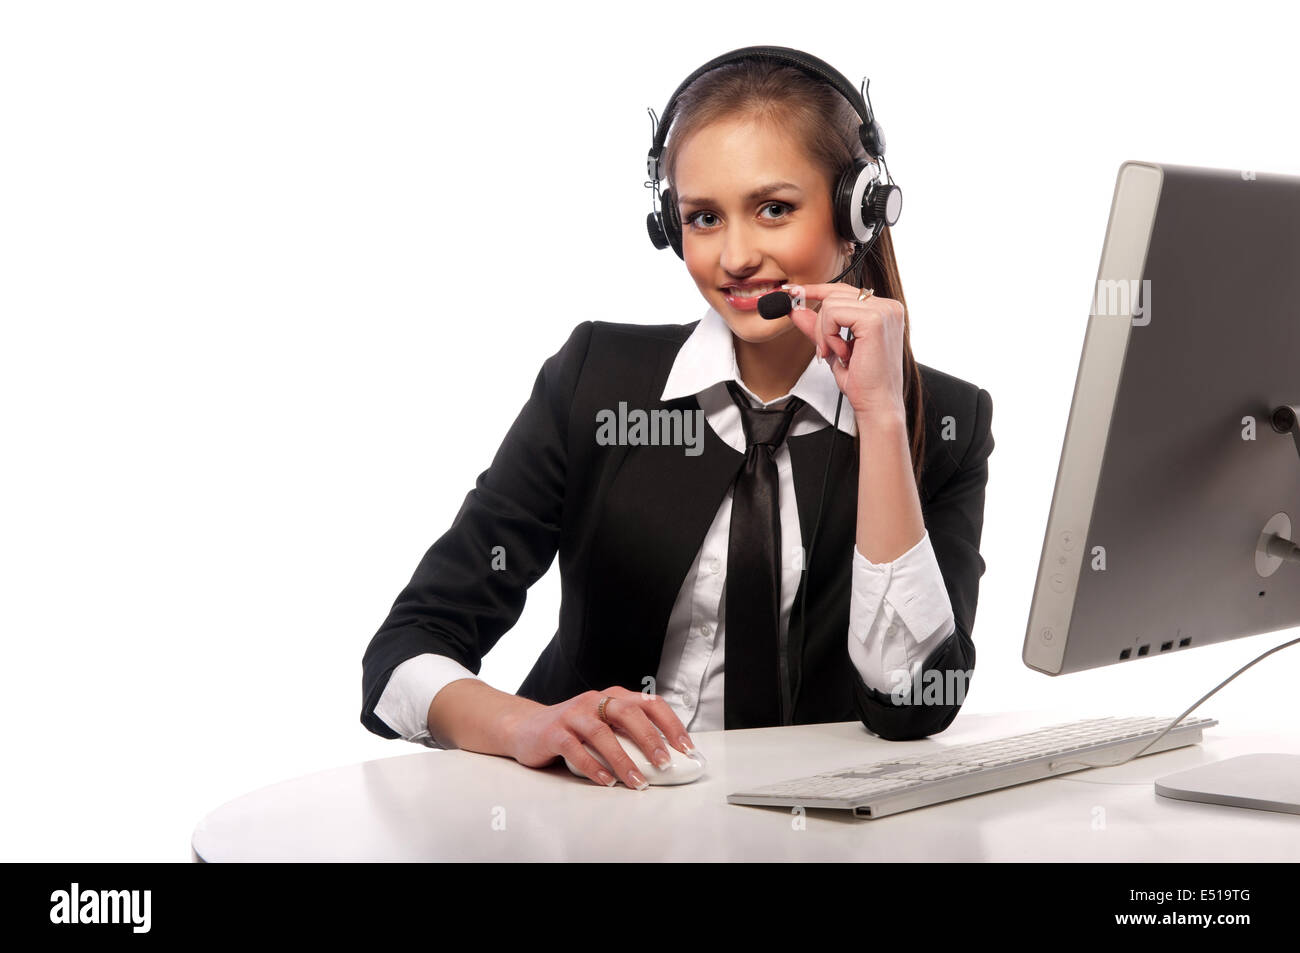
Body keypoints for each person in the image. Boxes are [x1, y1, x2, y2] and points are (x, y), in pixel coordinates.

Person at [360, 47, 994, 792]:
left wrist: (881, 415)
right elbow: (405, 650)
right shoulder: (596, 382)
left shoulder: (942, 420)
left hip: (807, 840)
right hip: (591, 822)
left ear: (857, 210)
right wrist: (525, 722)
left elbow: (911, 703)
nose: (734, 256)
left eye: (774, 208)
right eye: (702, 217)